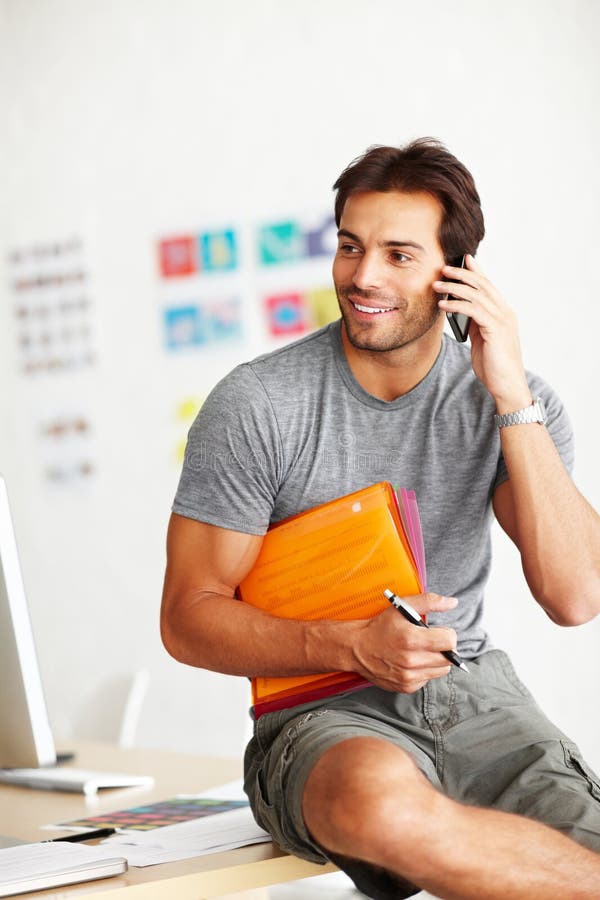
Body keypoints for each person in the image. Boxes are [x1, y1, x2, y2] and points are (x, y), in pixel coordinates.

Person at [160, 138, 600, 899]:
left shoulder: (514, 402)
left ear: (456, 275)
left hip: (475, 697)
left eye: (399, 255)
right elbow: (187, 618)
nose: (362, 277)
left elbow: (576, 596)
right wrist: (352, 646)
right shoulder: (260, 405)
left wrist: (509, 398)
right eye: (351, 247)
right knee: (382, 810)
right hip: (319, 713)